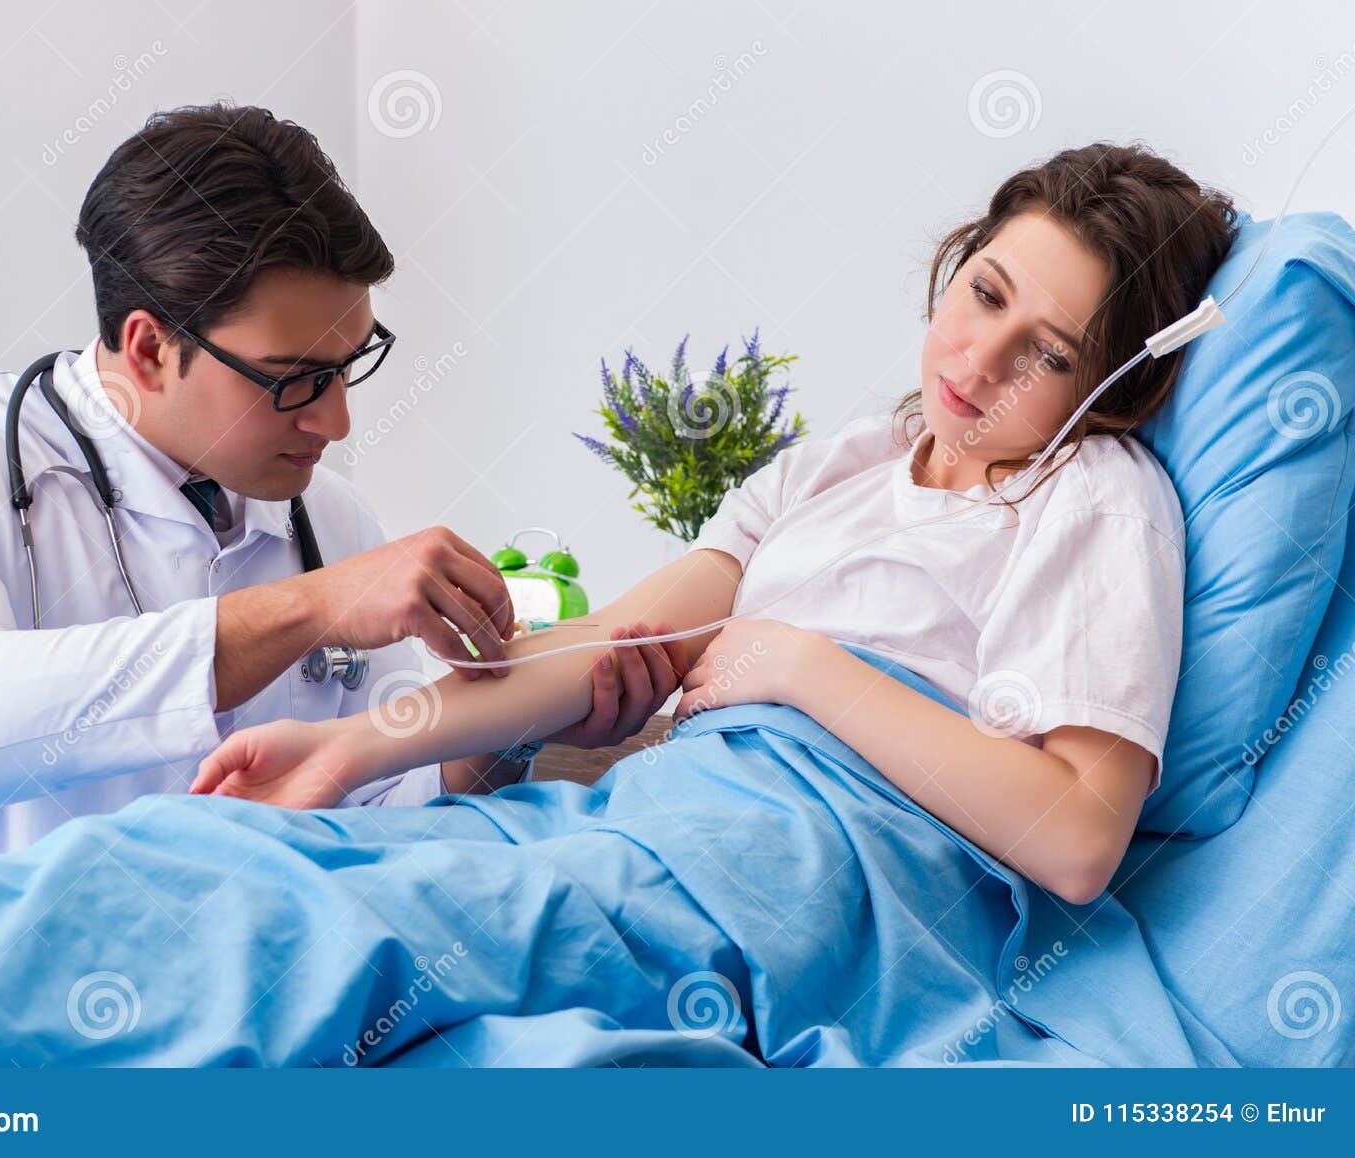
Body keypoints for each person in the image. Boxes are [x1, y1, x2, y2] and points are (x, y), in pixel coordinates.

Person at [192, 143, 1236, 906]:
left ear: (1113, 386)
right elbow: (626, 637)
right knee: (252, 886)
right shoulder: (848, 464)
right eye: (983, 292)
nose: (980, 359)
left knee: (369, 930)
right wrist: (349, 747)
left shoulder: (1093, 495)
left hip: (810, 871)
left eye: (1049, 354)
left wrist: (794, 663)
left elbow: (1078, 842)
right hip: (672, 820)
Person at [0, 103, 677, 866]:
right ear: (147, 347)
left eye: (349, 367)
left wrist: (507, 727)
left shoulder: (321, 515)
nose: (334, 423)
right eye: (292, 379)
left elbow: (386, 807)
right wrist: (307, 610)